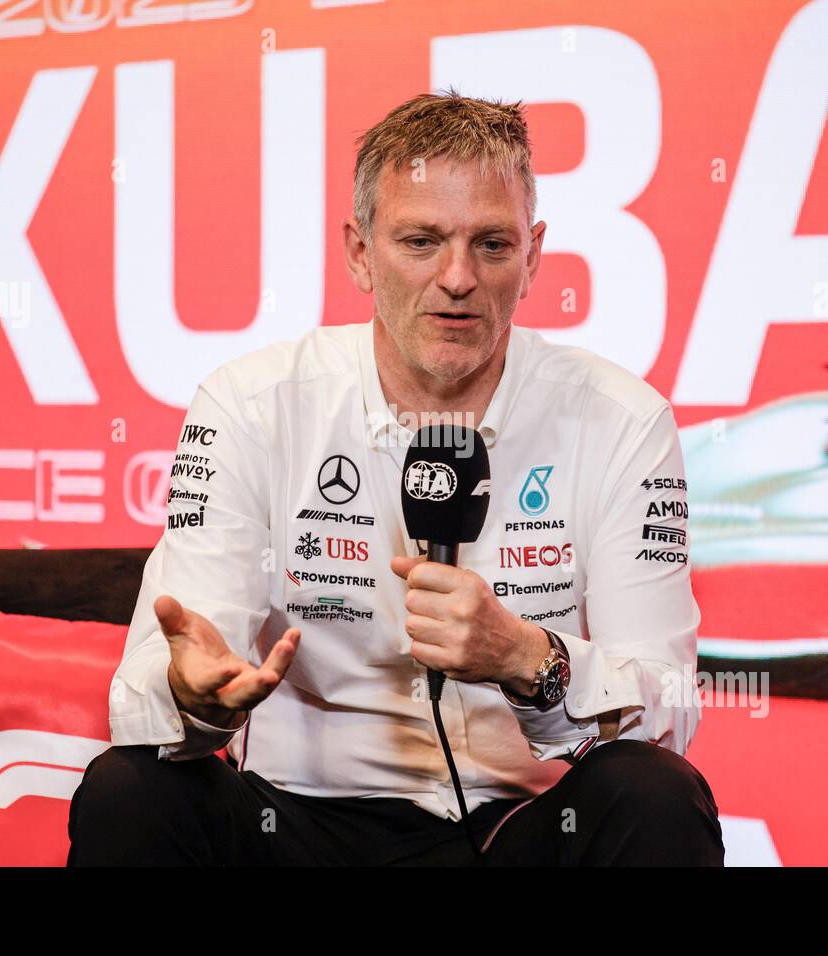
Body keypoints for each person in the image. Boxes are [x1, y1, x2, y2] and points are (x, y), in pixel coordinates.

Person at [67, 90, 724, 866]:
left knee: (655, 795)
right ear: (359, 252)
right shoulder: (252, 404)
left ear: (534, 254)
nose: (457, 278)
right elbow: (147, 691)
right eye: (420, 241)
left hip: (520, 832)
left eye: (492, 244)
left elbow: (671, 710)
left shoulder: (620, 419)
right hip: (297, 828)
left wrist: (527, 659)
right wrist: (192, 699)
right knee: (129, 789)